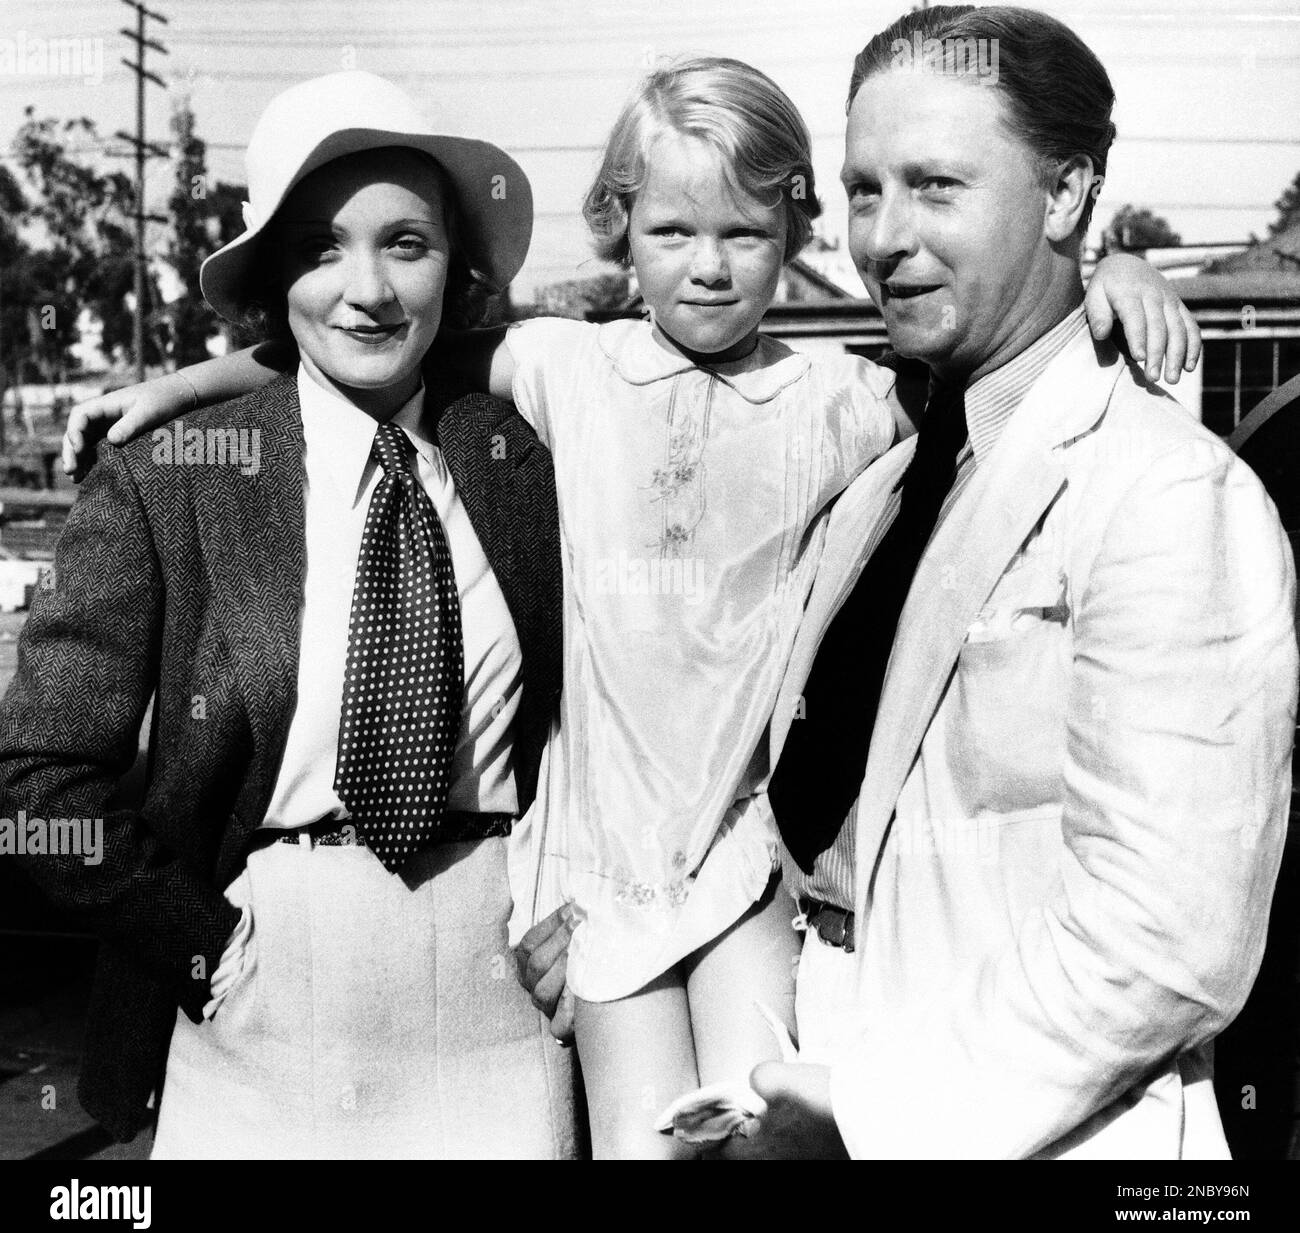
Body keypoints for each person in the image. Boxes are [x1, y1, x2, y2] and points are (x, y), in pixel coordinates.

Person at [64, 56, 1200, 1159]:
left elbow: (1006, 363)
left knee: (762, 1126)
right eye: (671, 233)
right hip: (569, 878)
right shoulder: (566, 368)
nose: (708, 268)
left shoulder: (842, 397)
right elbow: (356, 343)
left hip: (729, 857)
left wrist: (1108, 274)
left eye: (744, 235)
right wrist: (182, 387)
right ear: (619, 227)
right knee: (641, 1142)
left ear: (792, 236)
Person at [741, 5, 1297, 1158]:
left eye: (936, 185)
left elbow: (1165, 937)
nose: (882, 238)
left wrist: (866, 1115)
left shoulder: (1161, 493)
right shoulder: (874, 494)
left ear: (1065, 196)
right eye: (862, 189)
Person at [0, 69, 579, 1158]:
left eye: (405, 243)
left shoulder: (533, 460)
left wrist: (603, 909)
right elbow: (33, 787)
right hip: (256, 1002)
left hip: (504, 1000)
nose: (367, 289)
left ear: (456, 269)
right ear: (272, 272)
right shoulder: (174, 474)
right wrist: (202, 946)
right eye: (320, 246)